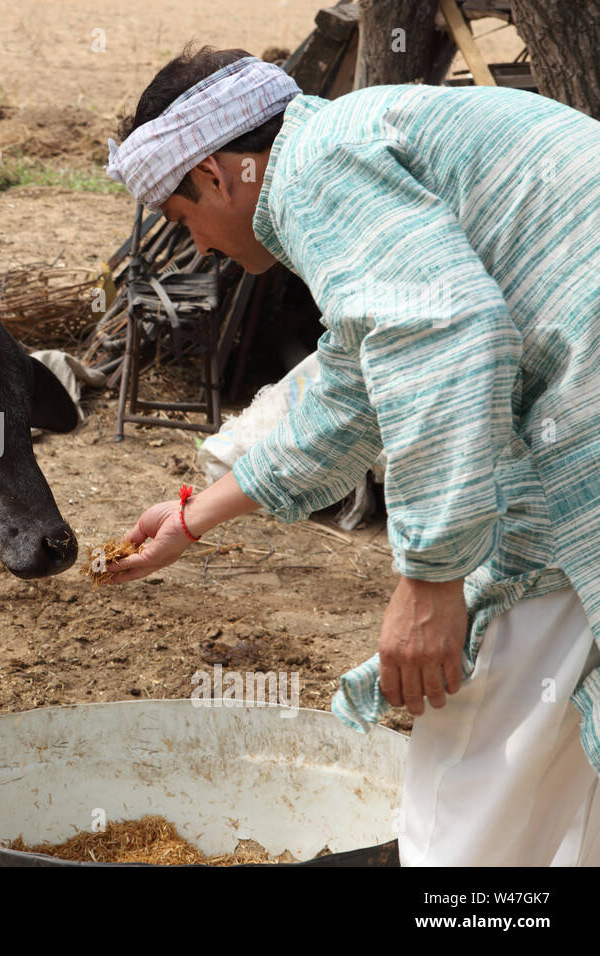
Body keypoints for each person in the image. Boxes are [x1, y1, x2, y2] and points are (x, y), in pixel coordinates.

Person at [103, 44, 600, 866]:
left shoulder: (316, 172)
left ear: (220, 174)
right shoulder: (352, 138)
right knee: (554, 761)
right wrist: (197, 516)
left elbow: (447, 334)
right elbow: (357, 381)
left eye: (181, 215)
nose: (196, 245)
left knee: (476, 762)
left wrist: (430, 582)